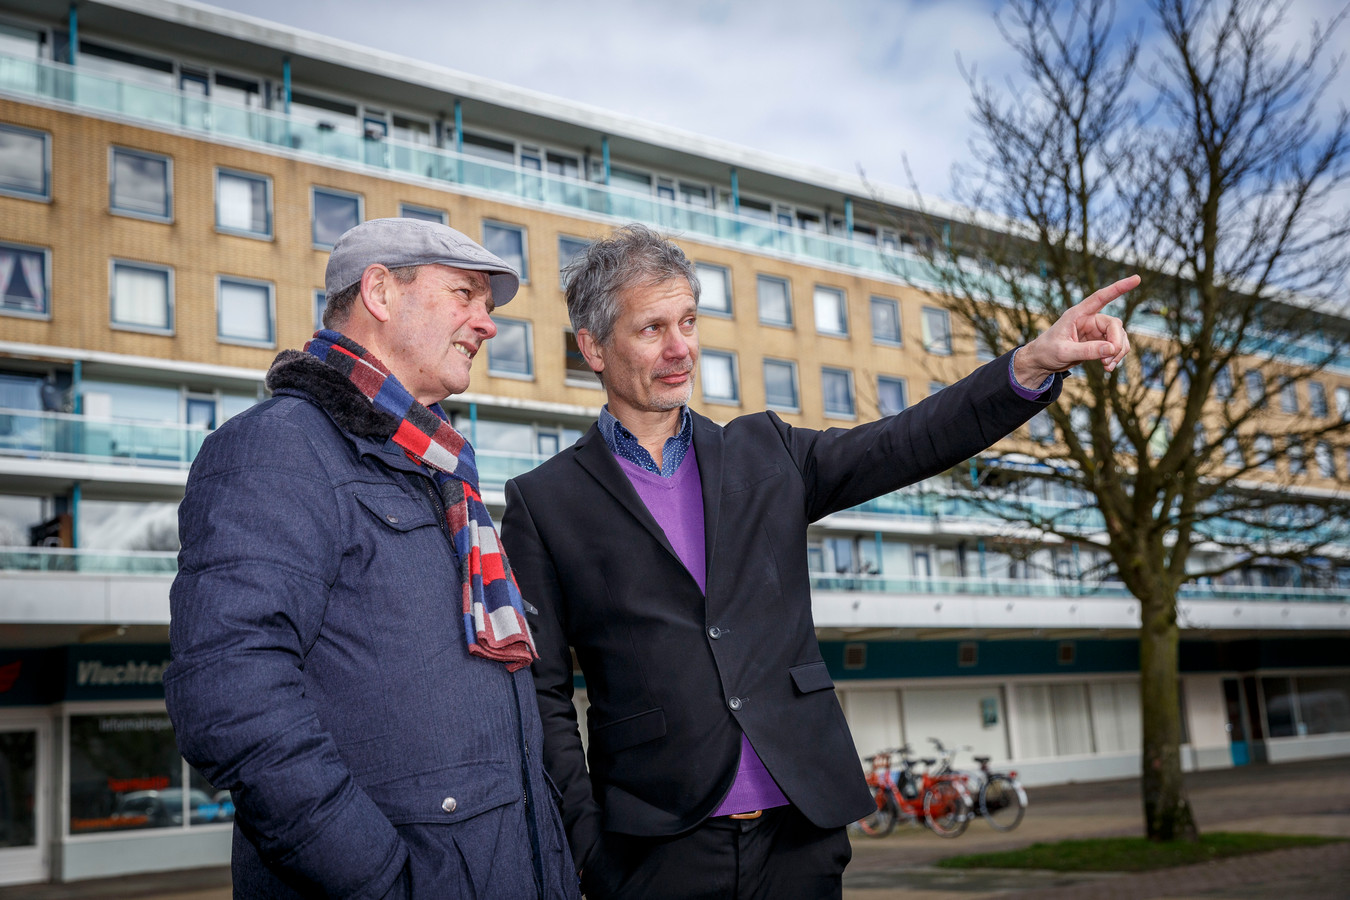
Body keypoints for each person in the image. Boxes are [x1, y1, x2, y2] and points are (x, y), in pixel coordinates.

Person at [500, 224, 1134, 899]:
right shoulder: (543, 503)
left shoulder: (768, 451)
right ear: (593, 348)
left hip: (798, 835)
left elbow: (906, 441)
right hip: (656, 848)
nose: (681, 347)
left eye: (688, 320)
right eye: (652, 329)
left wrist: (1030, 367)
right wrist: (588, 844)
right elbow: (539, 695)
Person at [165, 218, 580, 900]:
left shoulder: (439, 468)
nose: (487, 324)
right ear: (381, 292)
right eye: (466, 295)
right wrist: (383, 882)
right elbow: (231, 699)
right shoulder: (278, 449)